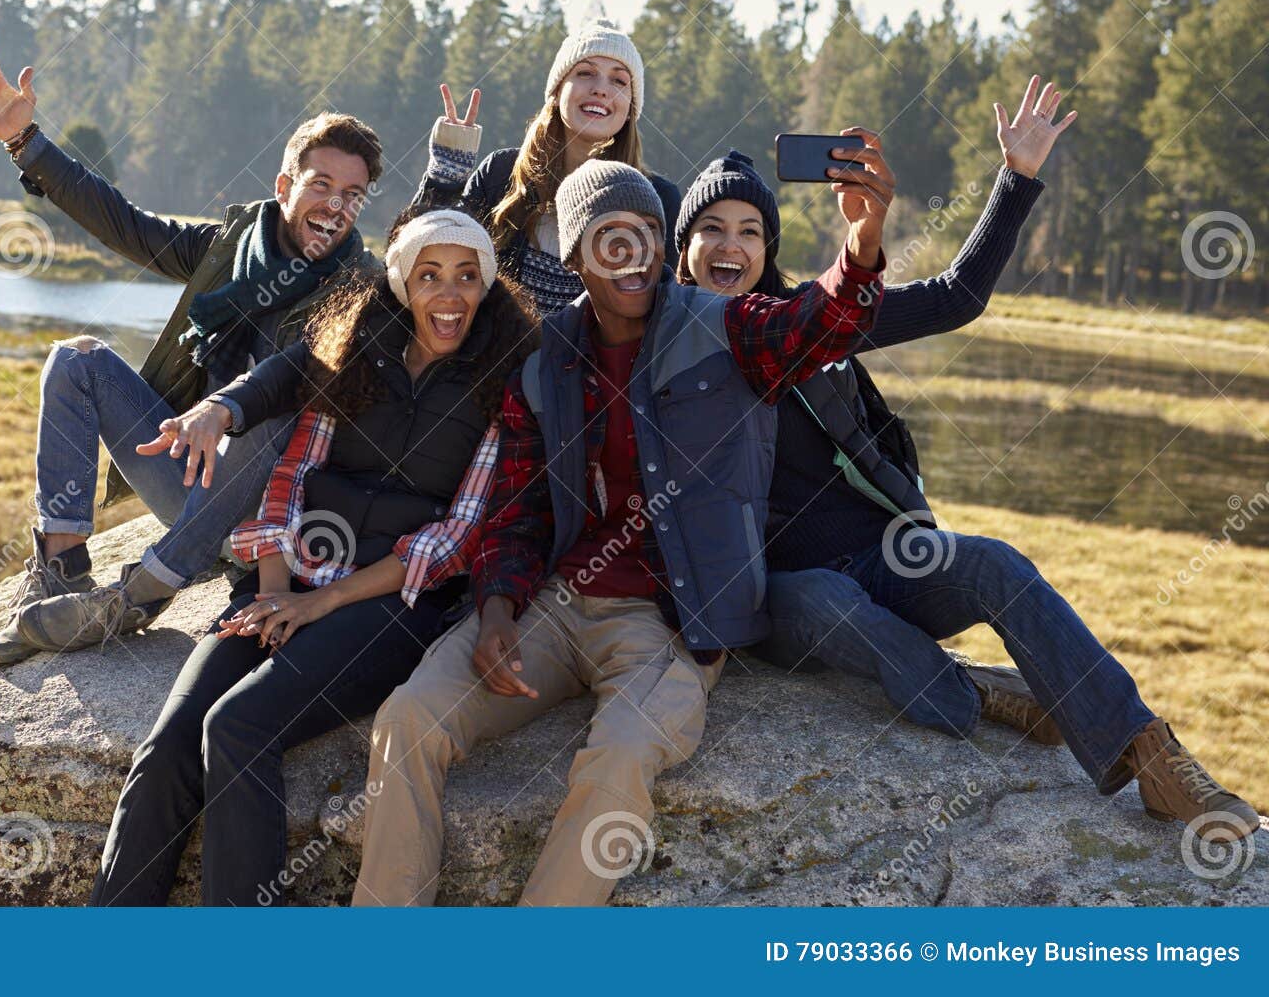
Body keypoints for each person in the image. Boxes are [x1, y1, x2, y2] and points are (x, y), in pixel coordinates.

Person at [676, 77, 1258, 843]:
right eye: (711, 227)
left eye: (750, 230)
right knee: (825, 599)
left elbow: (956, 296)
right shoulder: (666, 350)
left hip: (886, 557)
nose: (731, 245)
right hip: (781, 592)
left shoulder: (815, 321)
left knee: (995, 563)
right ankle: (973, 694)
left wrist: (1016, 180)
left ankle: (1149, 753)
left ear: (769, 248)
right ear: (681, 246)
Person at [353, 153, 889, 906]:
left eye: (645, 234)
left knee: (621, 757)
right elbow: (517, 510)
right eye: (610, 237)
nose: (632, 254)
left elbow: (818, 325)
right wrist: (499, 609)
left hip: (669, 623)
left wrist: (861, 248)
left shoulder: (726, 327)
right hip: (555, 606)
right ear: (575, 257)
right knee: (410, 716)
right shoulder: (543, 360)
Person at [85, 207, 537, 904]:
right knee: (171, 739)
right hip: (285, 578)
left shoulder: (503, 377)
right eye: (429, 275)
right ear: (400, 283)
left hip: (389, 607)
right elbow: (290, 477)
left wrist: (315, 602)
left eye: (467, 277)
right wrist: (273, 591)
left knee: (237, 724)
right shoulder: (351, 349)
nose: (450, 295)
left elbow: (455, 537)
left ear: (486, 286)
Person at [0, 41, 384, 663]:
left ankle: (146, 592)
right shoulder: (229, 248)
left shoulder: (360, 287)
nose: (336, 207)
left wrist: (224, 408)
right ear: (285, 185)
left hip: (270, 518)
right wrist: (26, 143)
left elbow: (294, 376)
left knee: (287, 406)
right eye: (322, 185)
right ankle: (62, 570)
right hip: (187, 476)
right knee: (77, 360)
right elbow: (124, 223)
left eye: (353, 194)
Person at [413, 19, 682, 315]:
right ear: (556, 90)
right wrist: (445, 176)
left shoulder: (659, 199)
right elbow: (419, 261)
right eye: (585, 73)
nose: (601, 90)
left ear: (631, 106)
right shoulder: (501, 174)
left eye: (618, 80)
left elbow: (664, 313)